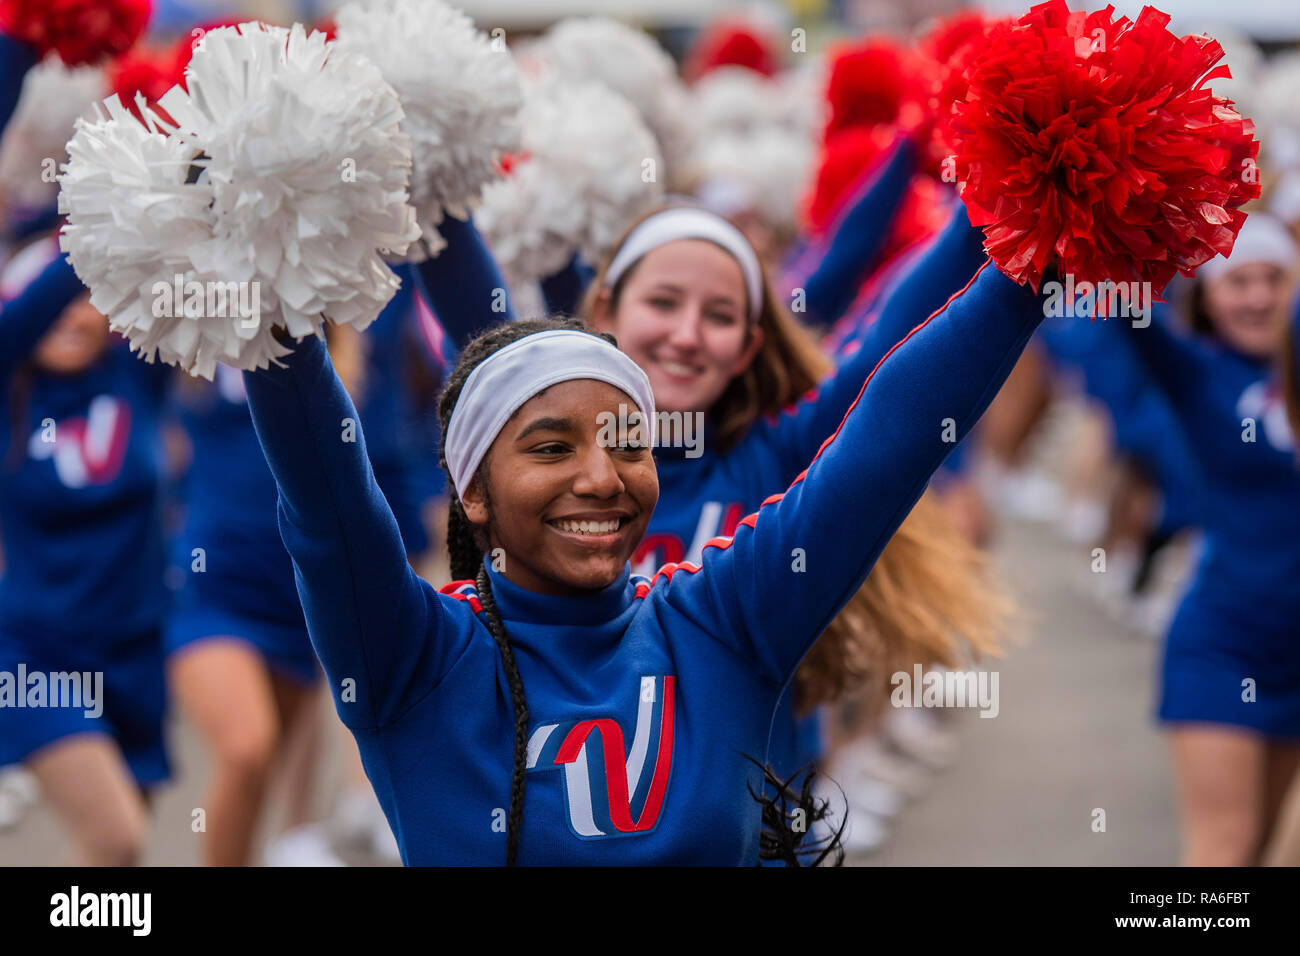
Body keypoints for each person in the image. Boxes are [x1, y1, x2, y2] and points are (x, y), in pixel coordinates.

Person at [234, 224, 1045, 861]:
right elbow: (325, 490)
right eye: (551, 449)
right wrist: (265, 271)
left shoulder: (722, 621)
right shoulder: (410, 656)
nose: (601, 478)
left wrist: (1038, 253)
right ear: (471, 493)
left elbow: (889, 437)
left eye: (628, 443)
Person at [1104, 213, 1300, 865]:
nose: (1259, 297)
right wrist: (1098, 213)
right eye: (1239, 282)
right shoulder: (1196, 372)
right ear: (1209, 298)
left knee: (1270, 853)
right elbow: (1124, 306)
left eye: (1274, 279)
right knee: (1223, 851)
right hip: (1224, 645)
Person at [0, 238, 170, 865]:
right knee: (115, 835)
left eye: (90, 304)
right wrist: (99, 230)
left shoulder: (136, 373)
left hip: (135, 651)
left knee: (115, 861)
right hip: (35, 657)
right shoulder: (7, 391)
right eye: (59, 306)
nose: (74, 318)